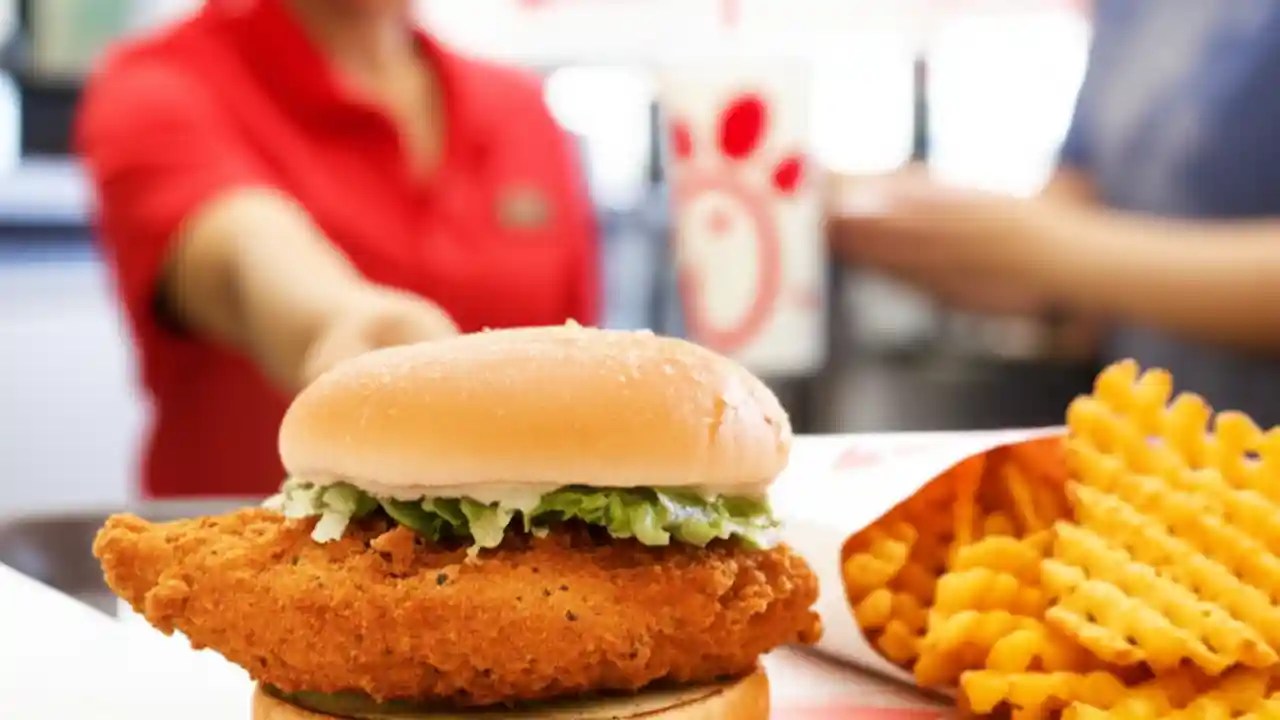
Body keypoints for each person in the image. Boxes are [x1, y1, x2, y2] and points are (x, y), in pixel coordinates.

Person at [77, 0, 600, 498]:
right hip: (249, 570)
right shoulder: (162, 85)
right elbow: (244, 248)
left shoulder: (522, 112)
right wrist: (340, 325)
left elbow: (571, 370)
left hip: (515, 575)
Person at [828, 0, 1280, 425]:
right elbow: (1063, 254)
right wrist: (918, 230)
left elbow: (1063, 248)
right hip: (1152, 457)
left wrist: (1042, 246)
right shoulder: (1134, 13)